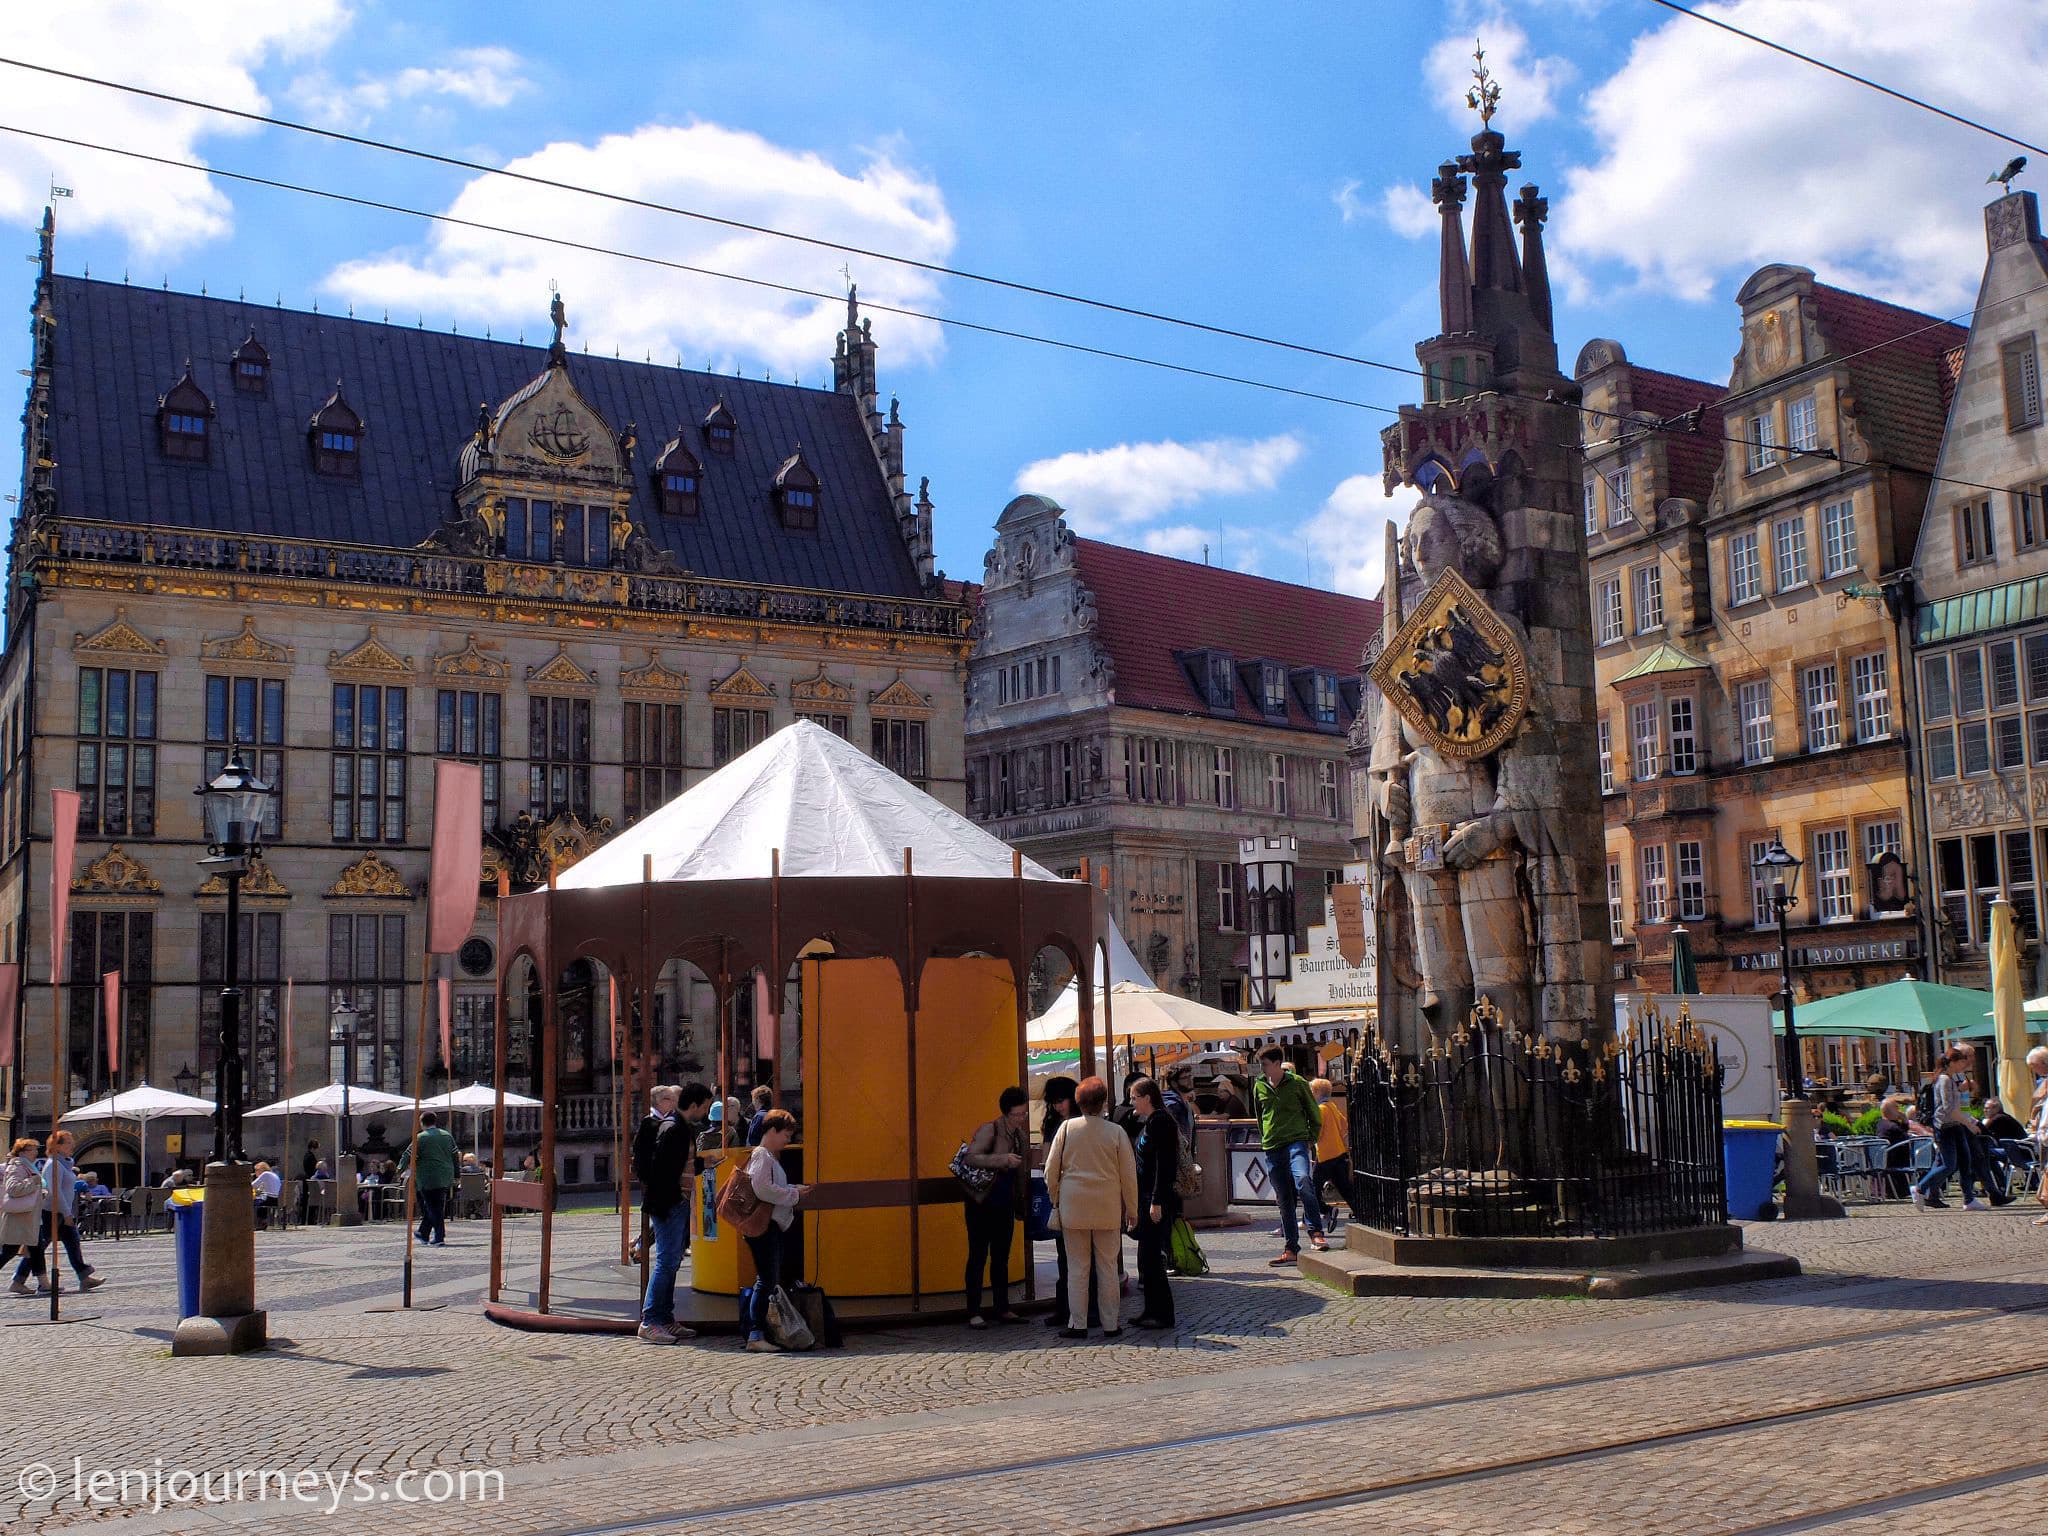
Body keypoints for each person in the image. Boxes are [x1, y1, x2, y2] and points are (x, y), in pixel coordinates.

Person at [1042, 1075, 1136, 1340]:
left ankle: (1078, 1323)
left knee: (1077, 1268)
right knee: (1107, 1267)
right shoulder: (1115, 1132)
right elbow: (1128, 1175)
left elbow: (1051, 1170)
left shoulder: (1067, 1129)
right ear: (1103, 1102)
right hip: (1106, 1206)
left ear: (1078, 1102)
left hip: (1074, 1206)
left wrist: (1056, 1197)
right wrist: (1131, 1209)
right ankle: (1110, 1324)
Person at [632, 1083, 711, 1345]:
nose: (707, 1111)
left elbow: (680, 1162)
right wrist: (674, 1199)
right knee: (666, 1261)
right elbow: (660, 1169)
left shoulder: (679, 1126)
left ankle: (664, 1318)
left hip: (674, 1201)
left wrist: (704, 1164)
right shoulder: (673, 1128)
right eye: (706, 1106)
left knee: (672, 1260)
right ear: (695, 1104)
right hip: (669, 1203)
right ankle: (651, 1320)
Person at [960, 1087, 1029, 1329]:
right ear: (1005, 1113)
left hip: (1004, 1203)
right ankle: (974, 1311)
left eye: (1023, 1114)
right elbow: (969, 1157)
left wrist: (1021, 1201)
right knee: (978, 1256)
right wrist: (1002, 1160)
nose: (1021, 1119)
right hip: (981, 1203)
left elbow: (1020, 1172)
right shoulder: (990, 1129)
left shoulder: (1019, 1135)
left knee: (1001, 1257)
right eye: (1017, 1115)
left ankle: (1002, 1307)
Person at [742, 1110, 811, 1353]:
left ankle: (756, 1332)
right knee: (766, 1279)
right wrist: (793, 1194)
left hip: (768, 1225)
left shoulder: (765, 1156)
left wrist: (792, 1189)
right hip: (766, 1225)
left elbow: (769, 1188)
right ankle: (755, 1334)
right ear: (771, 1131)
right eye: (785, 1134)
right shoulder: (763, 1155)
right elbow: (763, 1190)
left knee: (767, 1279)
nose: (787, 1140)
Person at [1254, 1046, 1326, 1261]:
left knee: (1303, 1180)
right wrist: (1265, 1137)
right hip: (1273, 1146)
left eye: (1265, 1064)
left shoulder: (1297, 1083)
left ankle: (1316, 1232)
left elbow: (1313, 1112)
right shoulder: (1259, 1085)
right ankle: (1291, 1248)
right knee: (1284, 1199)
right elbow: (1260, 1116)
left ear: (1277, 1063)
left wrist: (1310, 1138)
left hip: (1296, 1142)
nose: (1262, 1068)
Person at [1037, 1077, 1095, 1330]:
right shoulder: (1054, 1124)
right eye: (1053, 1102)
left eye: (1060, 1101)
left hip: (1079, 1195)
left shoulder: (1083, 1123)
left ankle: (1086, 1311)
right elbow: (1046, 1159)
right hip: (1064, 1196)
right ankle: (1065, 1309)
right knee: (1065, 1257)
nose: (1057, 1106)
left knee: (1083, 1258)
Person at [1916, 1048, 2003, 1211]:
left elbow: (1957, 1107)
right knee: (1949, 1165)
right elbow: (1950, 1109)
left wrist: (1969, 1120)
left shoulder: (1950, 1078)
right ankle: (1920, 1187)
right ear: (1954, 1062)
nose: (1966, 1063)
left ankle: (1969, 1199)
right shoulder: (1944, 1080)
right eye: (1963, 1060)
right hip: (1947, 1126)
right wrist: (1970, 1125)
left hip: (1956, 1125)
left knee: (1965, 1162)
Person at [1127, 1077, 1180, 1331]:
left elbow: (1164, 1164)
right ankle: (1150, 1309)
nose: (1131, 1102)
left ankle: (1163, 1313)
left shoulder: (1161, 1121)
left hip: (1156, 1199)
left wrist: (1157, 1200)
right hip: (1146, 1196)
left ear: (1147, 1098)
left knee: (1153, 1258)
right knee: (1147, 1258)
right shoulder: (1149, 1121)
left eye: (1134, 1097)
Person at [31, 1131, 102, 1292]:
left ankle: (84, 1277)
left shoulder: (65, 1163)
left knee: (73, 1242)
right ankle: (19, 1279)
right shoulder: (53, 1164)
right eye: (68, 1142)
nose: (72, 1145)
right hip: (51, 1212)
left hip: (61, 1212)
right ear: (57, 1146)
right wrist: (66, 1213)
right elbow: (55, 1192)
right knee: (38, 1247)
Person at [398, 1111, 461, 1247]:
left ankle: (439, 1236)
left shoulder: (420, 1138)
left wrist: (399, 1169)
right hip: (445, 1176)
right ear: (435, 1121)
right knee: (435, 1206)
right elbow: (456, 1156)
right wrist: (457, 1175)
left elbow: (407, 1155)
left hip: (428, 1177)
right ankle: (423, 1232)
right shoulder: (447, 1136)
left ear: (422, 1123)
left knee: (433, 1207)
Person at [3, 1138, 46, 1294]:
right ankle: (38, 1283)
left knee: (37, 1247)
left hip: (30, 1216)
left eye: (35, 1149)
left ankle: (40, 1283)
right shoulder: (17, 1166)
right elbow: (13, 1188)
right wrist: (33, 1181)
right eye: (32, 1149)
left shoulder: (29, 1166)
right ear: (22, 1152)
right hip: (21, 1217)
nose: (36, 1152)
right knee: (10, 1250)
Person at [1310, 1077, 1349, 1225]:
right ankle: (1363, 1213)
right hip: (1338, 1151)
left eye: (1312, 1091)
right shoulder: (1332, 1106)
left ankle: (1326, 1210)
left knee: (1313, 1188)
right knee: (1344, 1187)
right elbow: (1344, 1125)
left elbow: (1316, 1131)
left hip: (1325, 1154)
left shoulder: (1320, 1109)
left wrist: (1310, 1141)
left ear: (1317, 1092)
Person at [1872, 1094, 1915, 1200]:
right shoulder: (1892, 1126)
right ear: (1889, 1111)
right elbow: (1906, 1138)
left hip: (1888, 1159)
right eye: (1896, 1107)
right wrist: (1904, 1120)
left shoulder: (1882, 1124)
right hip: (1895, 1160)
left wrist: (1904, 1121)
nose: (1899, 1110)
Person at [1162, 1065, 1195, 1142]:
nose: (1190, 1080)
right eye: (1185, 1078)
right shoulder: (1173, 1106)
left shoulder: (1185, 1104)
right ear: (1174, 1083)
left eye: (1190, 1076)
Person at [251, 1161, 282, 1228]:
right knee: (258, 1201)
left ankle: (256, 1223)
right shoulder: (273, 1175)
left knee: (253, 1203)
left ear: (261, 1169)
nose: (255, 1172)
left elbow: (252, 1185)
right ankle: (262, 1222)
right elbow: (261, 1189)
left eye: (256, 1170)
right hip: (276, 1200)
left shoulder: (265, 1174)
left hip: (269, 1199)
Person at [299, 1139, 321, 1223]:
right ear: (313, 1148)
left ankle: (306, 1219)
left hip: (307, 1179)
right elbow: (313, 1169)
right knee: (311, 1199)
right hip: (310, 1180)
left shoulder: (307, 1155)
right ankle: (310, 1219)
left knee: (307, 1200)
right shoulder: (310, 1157)